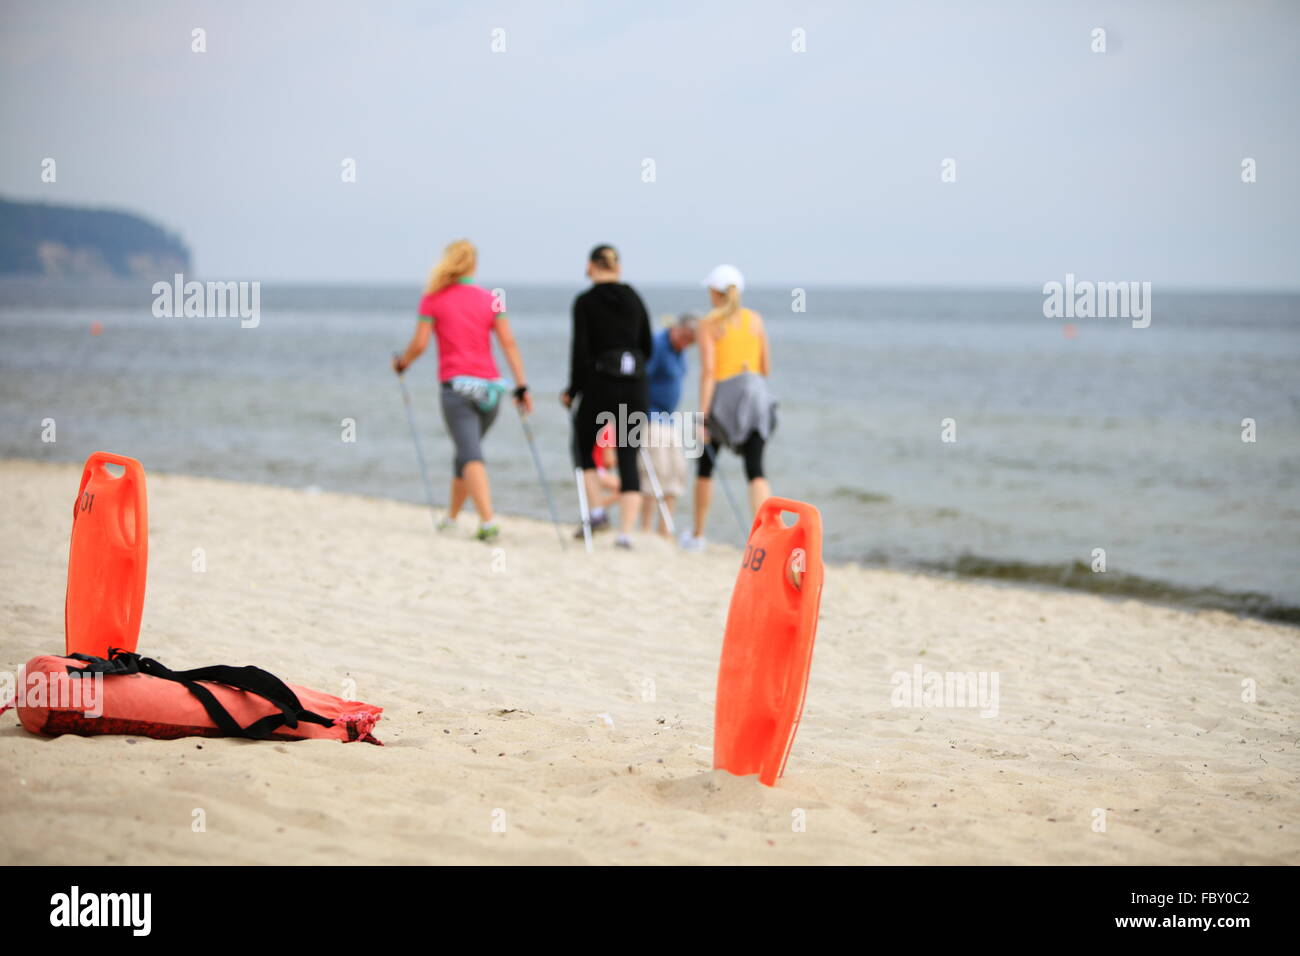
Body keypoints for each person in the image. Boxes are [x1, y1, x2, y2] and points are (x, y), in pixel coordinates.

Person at [393, 239, 532, 541]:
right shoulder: (492, 299)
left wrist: (402, 364)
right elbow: (509, 344)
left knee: (470, 452)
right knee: (466, 451)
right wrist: (521, 386)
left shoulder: (433, 298)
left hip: (457, 388)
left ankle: (487, 521)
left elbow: (419, 344)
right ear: (474, 265)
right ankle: (452, 517)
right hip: (492, 390)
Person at [561, 244, 652, 549]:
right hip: (634, 384)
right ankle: (625, 533)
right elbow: (647, 345)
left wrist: (573, 390)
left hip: (600, 383)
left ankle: (597, 512)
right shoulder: (634, 297)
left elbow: (580, 351)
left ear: (591, 265)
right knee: (628, 456)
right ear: (617, 267)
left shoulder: (585, 301)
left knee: (584, 448)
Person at [681, 264, 775, 552]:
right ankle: (767, 539)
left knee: (705, 467)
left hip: (725, 394)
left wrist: (702, 416)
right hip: (757, 394)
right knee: (756, 469)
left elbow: (708, 372)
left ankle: (698, 535)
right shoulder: (755, 320)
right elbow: (765, 367)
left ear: (714, 292)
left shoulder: (708, 324)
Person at [638, 313, 697, 534]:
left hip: (670, 420)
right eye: (685, 338)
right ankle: (645, 528)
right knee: (655, 472)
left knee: (676, 472)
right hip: (650, 418)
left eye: (691, 342)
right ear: (676, 329)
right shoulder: (658, 345)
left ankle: (665, 529)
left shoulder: (680, 351)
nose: (686, 344)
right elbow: (642, 378)